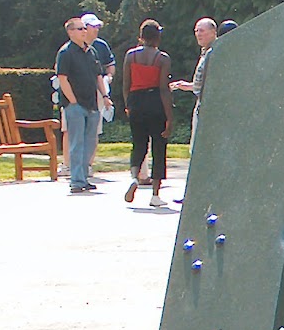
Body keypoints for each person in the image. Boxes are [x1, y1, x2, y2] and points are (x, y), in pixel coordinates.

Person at [123, 20, 173, 208]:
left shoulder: (130, 56)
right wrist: (169, 116)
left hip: (136, 102)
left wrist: (129, 105)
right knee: (159, 146)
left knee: (138, 143)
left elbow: (126, 85)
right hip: (155, 102)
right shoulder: (162, 59)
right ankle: (155, 193)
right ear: (157, 36)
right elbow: (163, 89)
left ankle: (135, 177)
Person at [55, 17, 103, 194]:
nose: (85, 31)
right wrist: (73, 100)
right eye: (81, 28)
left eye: (85, 28)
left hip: (92, 104)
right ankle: (76, 181)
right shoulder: (65, 53)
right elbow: (62, 78)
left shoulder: (91, 52)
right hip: (75, 106)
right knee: (76, 143)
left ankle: (84, 177)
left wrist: (104, 96)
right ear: (71, 32)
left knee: (89, 143)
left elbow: (98, 76)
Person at [170, 17, 218, 144]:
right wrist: (187, 86)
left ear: (213, 32)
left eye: (202, 31)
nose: (198, 34)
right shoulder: (206, 52)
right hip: (202, 103)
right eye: (196, 31)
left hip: (210, 107)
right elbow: (203, 83)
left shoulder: (215, 52)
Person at [81, 13, 116, 172]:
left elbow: (108, 67)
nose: (96, 30)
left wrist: (108, 79)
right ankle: (71, 165)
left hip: (98, 91)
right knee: (73, 130)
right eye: (93, 27)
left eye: (97, 27)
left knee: (94, 128)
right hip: (77, 95)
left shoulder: (100, 46)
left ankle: (88, 164)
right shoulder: (73, 47)